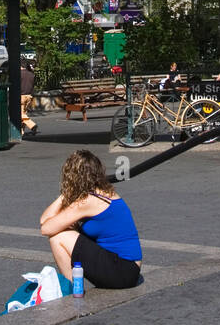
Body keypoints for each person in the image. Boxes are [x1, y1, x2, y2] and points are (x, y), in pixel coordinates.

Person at [39, 150, 142, 289]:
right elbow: (44, 220)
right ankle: (71, 286)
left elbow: (45, 228)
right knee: (64, 230)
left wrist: (65, 194)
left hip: (122, 271)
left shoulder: (88, 201)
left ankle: (69, 289)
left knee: (58, 237)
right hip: (128, 269)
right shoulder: (103, 193)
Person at [19, 62, 38, 137]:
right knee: (23, 114)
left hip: (21, 96)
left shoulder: (19, 74)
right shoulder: (31, 74)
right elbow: (33, 85)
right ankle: (21, 132)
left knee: (20, 114)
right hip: (29, 96)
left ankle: (32, 125)